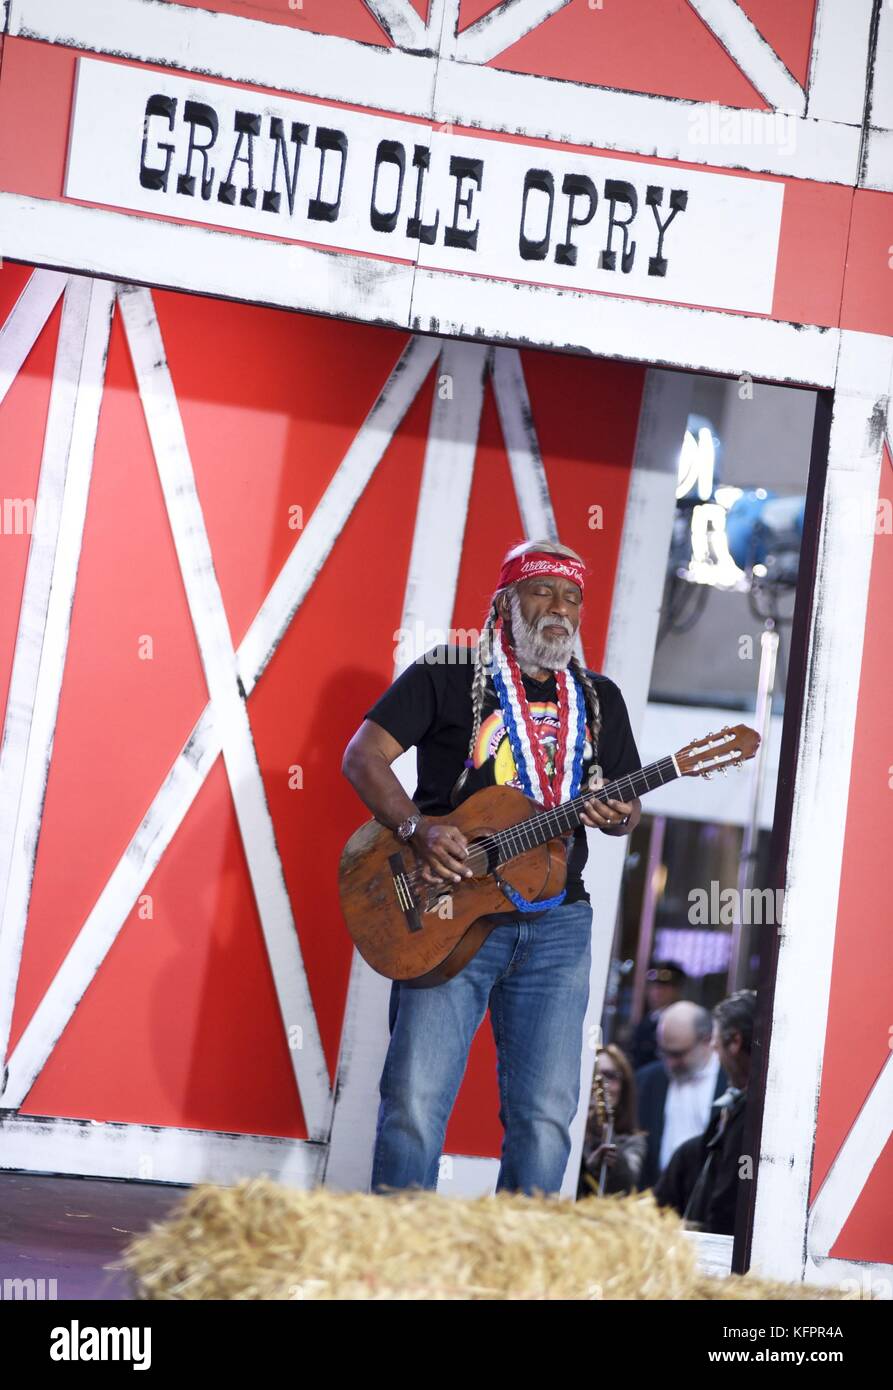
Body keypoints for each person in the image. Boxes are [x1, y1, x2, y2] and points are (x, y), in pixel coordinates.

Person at [341, 538, 643, 1197]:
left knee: (544, 1117)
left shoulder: (598, 700)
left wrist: (617, 814)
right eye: (541, 591)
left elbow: (625, 811)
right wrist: (417, 829)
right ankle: (392, 1267)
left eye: (571, 598)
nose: (558, 608)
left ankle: (519, 1272)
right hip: (445, 903)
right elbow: (361, 756)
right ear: (504, 603)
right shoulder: (445, 673)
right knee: (415, 1101)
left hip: (556, 923)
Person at [653, 990, 756, 1235]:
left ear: (735, 1042)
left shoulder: (752, 1115)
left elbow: (728, 1201)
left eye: (716, 1040)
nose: (713, 1048)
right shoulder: (741, 1107)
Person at [635, 1001, 728, 1190]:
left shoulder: (730, 1081)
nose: (669, 1063)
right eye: (664, 1052)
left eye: (677, 1054)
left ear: (707, 1040)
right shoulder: (647, 1080)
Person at [577, 1044, 647, 1198]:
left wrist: (606, 1131)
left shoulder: (633, 1142)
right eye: (594, 1074)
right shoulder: (567, 1131)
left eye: (610, 1075)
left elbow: (627, 1185)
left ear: (624, 1086)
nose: (600, 1084)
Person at [630, 960, 686, 1069]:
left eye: (664, 988)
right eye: (653, 987)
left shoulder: (680, 1021)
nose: (657, 992)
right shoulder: (648, 1019)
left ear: (677, 990)